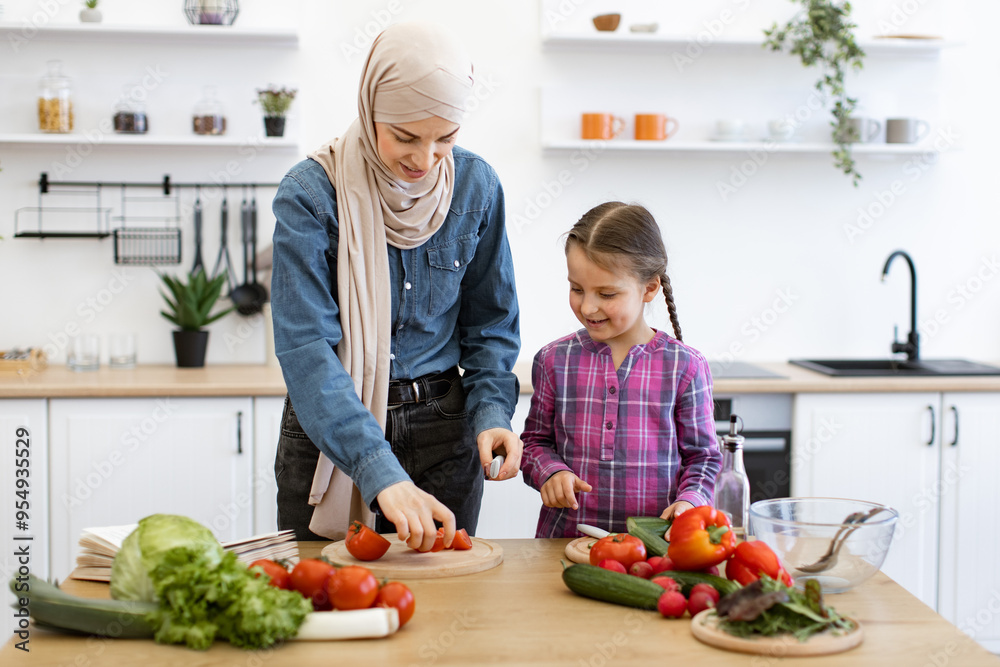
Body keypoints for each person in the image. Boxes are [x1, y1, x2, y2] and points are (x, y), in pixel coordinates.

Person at [269, 22, 521, 552]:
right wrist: (374, 465)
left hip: (444, 434)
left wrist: (492, 412)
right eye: (406, 136)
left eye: (445, 138)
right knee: (318, 606)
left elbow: (491, 325)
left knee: (444, 613)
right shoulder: (310, 195)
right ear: (369, 107)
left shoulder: (477, 187)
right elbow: (307, 349)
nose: (425, 159)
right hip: (327, 439)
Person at [519, 202, 721, 538]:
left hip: (656, 547)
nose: (587, 306)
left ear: (650, 288)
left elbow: (704, 459)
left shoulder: (686, 367)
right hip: (566, 541)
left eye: (607, 293)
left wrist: (690, 501)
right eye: (577, 289)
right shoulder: (554, 360)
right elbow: (535, 443)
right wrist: (550, 472)